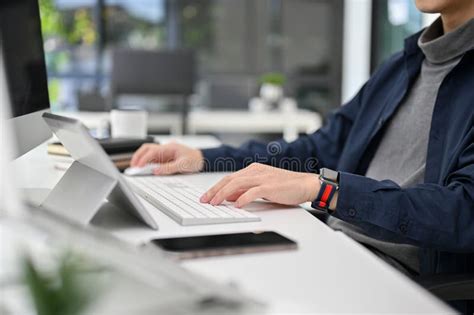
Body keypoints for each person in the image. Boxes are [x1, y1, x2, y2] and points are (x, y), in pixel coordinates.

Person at [131, 0, 474, 311]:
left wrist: (326, 189)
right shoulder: (403, 65)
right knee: (174, 281)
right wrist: (206, 158)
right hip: (330, 246)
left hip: (389, 279)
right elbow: (319, 148)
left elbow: (463, 211)